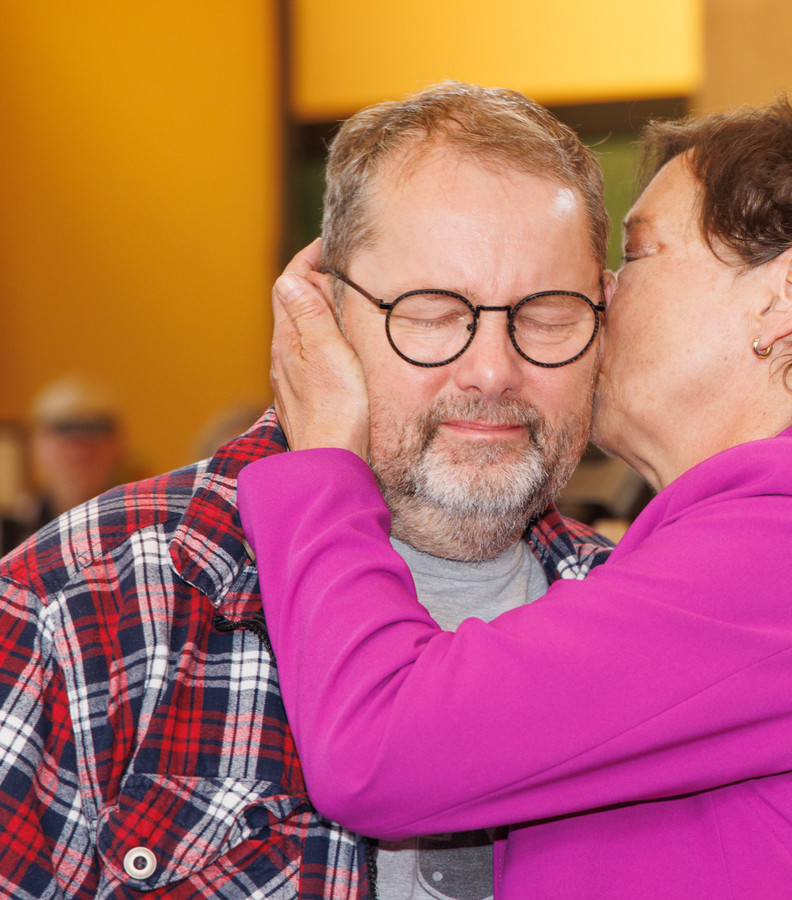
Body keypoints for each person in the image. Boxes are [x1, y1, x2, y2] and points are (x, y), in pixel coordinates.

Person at [237, 95, 792, 898]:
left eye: (638, 255)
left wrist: (326, 461)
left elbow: (381, 751)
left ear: (784, 296)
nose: (601, 291)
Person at [0, 80, 615, 900]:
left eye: (548, 314)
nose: (494, 371)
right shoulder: (81, 607)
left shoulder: (646, 623)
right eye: (433, 312)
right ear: (319, 316)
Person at [0, 374, 129, 554]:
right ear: (35, 447)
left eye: (96, 428)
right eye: (63, 429)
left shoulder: (144, 525)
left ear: (119, 446)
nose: (79, 448)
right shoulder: (10, 531)